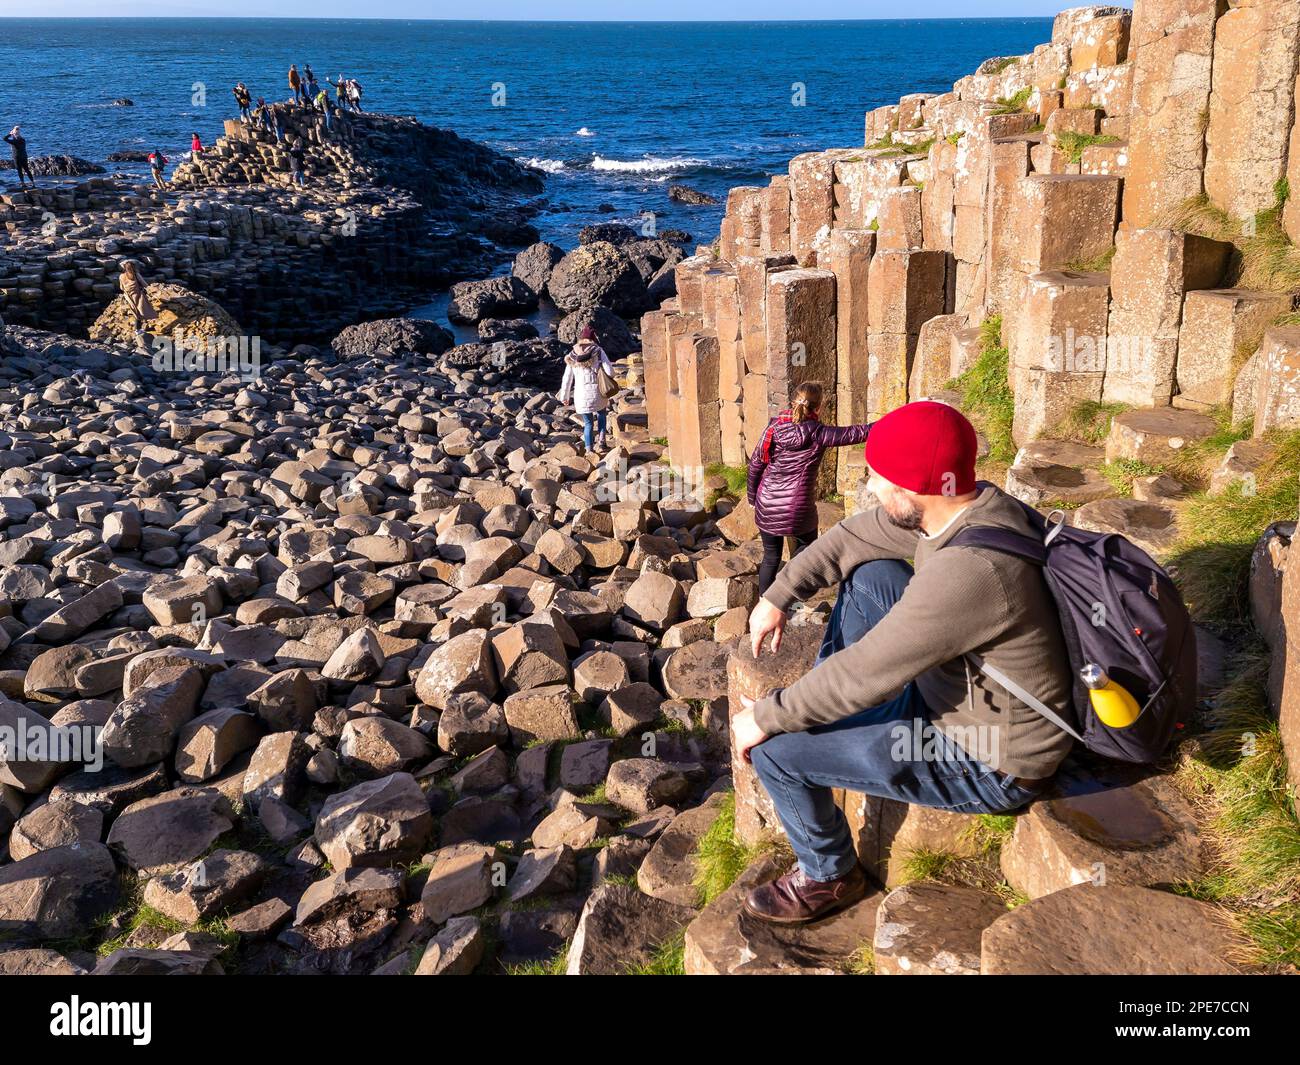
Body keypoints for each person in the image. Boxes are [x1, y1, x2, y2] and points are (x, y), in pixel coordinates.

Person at [733, 401, 1074, 924]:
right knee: (872, 574)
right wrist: (776, 596)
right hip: (964, 689)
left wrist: (766, 716)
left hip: (988, 755)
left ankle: (829, 875)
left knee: (777, 752)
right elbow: (850, 538)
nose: (870, 486)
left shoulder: (970, 572)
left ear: (913, 489)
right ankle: (832, 721)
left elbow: (866, 671)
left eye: (878, 477)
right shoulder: (965, 508)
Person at [747, 381, 872, 596]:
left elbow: (756, 464)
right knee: (808, 551)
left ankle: (764, 604)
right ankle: (787, 596)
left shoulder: (774, 427)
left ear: (793, 401)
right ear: (819, 407)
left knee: (770, 556)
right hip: (798, 508)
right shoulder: (818, 433)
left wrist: (752, 499)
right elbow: (857, 433)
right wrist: (897, 420)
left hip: (767, 501)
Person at [557, 326, 617, 453]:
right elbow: (610, 372)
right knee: (601, 415)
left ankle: (589, 450)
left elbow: (567, 378)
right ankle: (602, 443)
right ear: (593, 338)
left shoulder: (571, 355)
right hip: (598, 392)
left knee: (588, 423)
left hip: (581, 395)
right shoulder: (599, 351)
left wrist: (564, 397)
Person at [118, 260, 157, 353]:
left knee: (135, 311)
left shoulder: (121, 276)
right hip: (138, 295)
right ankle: (137, 329)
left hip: (128, 296)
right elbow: (144, 284)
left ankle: (137, 329)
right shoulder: (136, 275)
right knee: (140, 311)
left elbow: (121, 287)